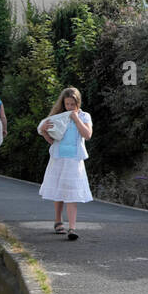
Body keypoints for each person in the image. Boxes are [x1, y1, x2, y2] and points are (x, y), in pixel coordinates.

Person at [38, 87, 93, 241]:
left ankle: (72, 228)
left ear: (78, 103)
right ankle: (58, 221)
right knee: (59, 191)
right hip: (58, 158)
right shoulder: (58, 116)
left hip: (75, 160)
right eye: (67, 104)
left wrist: (76, 119)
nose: (70, 107)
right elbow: (52, 140)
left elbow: (87, 135)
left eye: (72, 104)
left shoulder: (84, 116)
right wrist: (44, 131)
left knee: (72, 193)